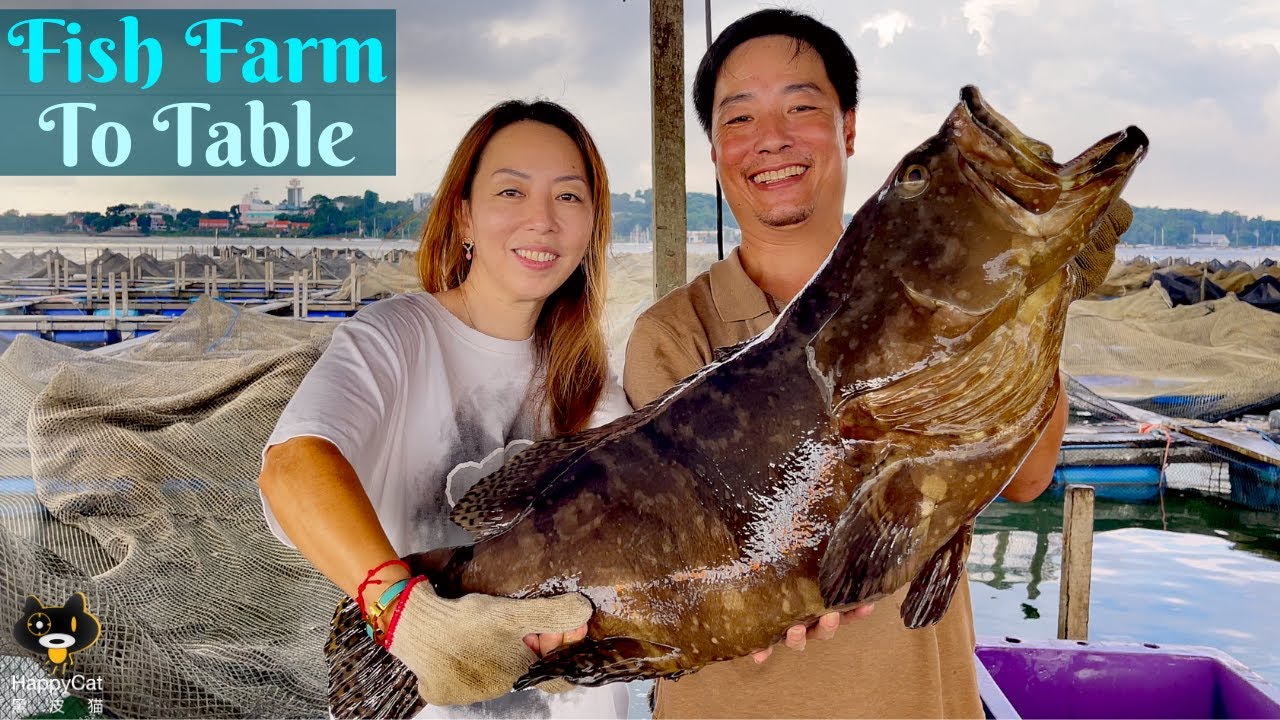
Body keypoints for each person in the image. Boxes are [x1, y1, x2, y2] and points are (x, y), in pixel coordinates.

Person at [623, 9, 1132, 718]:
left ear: (849, 127)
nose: (770, 140)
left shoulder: (944, 304)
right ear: (714, 150)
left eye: (801, 108)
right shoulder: (674, 334)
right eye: (738, 120)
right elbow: (698, 552)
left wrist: (1042, 297)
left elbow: (1028, 477)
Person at [258, 100, 632, 719]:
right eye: (511, 191)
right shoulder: (396, 337)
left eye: (569, 197)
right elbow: (292, 468)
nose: (541, 220)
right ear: (463, 216)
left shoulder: (595, 386)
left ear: (593, 224)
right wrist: (403, 609)